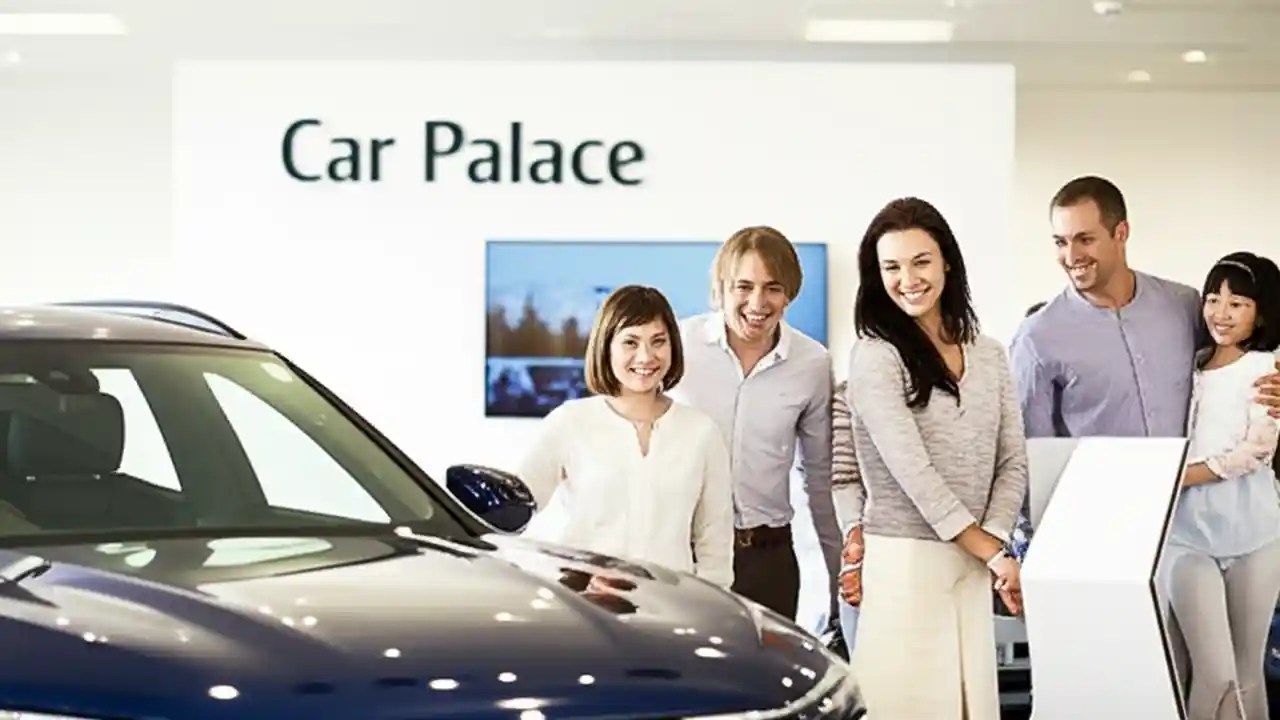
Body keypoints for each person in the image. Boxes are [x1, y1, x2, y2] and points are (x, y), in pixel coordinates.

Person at [844, 197, 1028, 719]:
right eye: (892, 267)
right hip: (906, 565)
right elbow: (911, 472)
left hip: (972, 563)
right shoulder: (875, 355)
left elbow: (1012, 459)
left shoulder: (989, 352)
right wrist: (991, 551)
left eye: (920, 261)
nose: (908, 279)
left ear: (947, 260)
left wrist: (991, 541)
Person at [1009, 175, 1280, 440]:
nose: (1071, 256)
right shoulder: (1037, 337)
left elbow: (1234, 360)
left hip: (1191, 484)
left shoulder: (1183, 304)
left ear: (1121, 233)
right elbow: (1031, 452)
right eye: (1061, 242)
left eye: (1085, 239)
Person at [670, 225, 842, 624]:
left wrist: (839, 585)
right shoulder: (680, 345)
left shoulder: (812, 363)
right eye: (743, 287)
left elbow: (820, 478)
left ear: (789, 294)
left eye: (773, 288)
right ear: (722, 289)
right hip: (683, 551)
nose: (757, 302)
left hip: (767, 559)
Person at [518, 285, 735, 588]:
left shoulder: (702, 432)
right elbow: (516, 508)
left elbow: (715, 543)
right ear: (607, 347)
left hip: (673, 611)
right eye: (630, 342)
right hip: (586, 608)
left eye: (658, 341)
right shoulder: (570, 422)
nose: (645, 356)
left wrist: (713, 609)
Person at [1162, 252, 1280, 720]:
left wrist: (1179, 476)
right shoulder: (1188, 367)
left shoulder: (1266, 370)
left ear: (1263, 311)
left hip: (1257, 535)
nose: (1220, 312)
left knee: (1249, 672)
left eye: (1238, 303)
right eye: (1213, 299)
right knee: (1214, 672)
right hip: (1187, 537)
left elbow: (1256, 451)